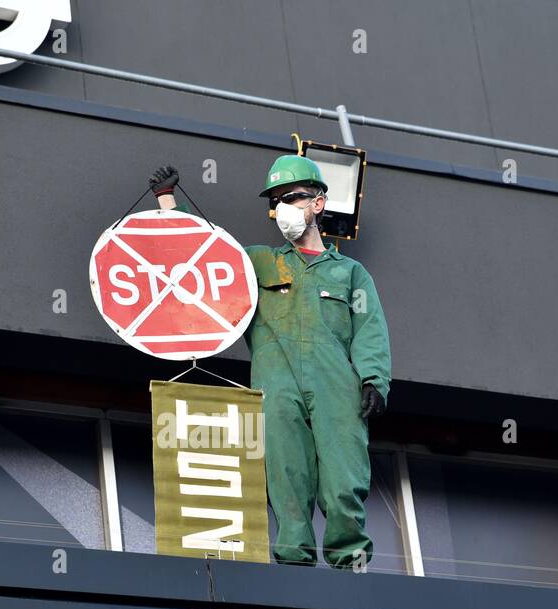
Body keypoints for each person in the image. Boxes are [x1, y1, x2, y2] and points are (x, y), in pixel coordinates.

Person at [149, 158, 391, 568]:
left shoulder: (349, 273)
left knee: (344, 479)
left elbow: (370, 329)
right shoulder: (258, 262)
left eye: (293, 197)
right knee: (285, 475)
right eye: (277, 201)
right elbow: (205, 259)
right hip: (276, 382)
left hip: (337, 385)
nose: (284, 208)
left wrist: (374, 380)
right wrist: (170, 201)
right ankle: (294, 564)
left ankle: (351, 566)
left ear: (318, 203)